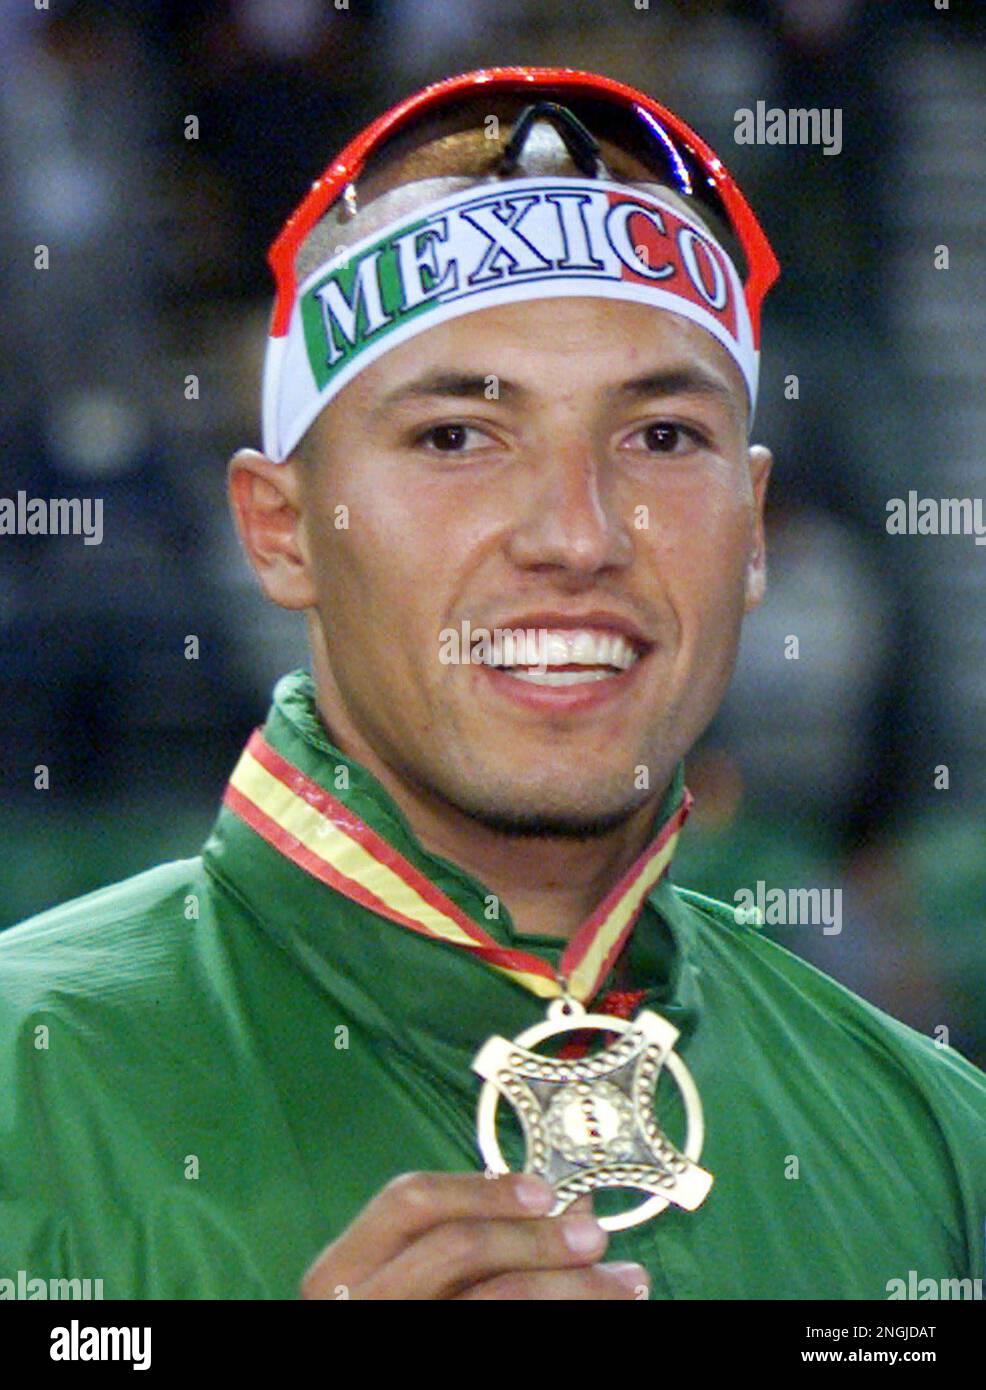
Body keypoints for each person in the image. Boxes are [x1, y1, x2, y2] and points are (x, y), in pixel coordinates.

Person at [1, 68, 983, 1302]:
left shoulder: (940, 1144)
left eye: (660, 438)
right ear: (280, 529)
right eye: (456, 437)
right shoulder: (17, 1083)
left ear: (751, 527)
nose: (575, 536)